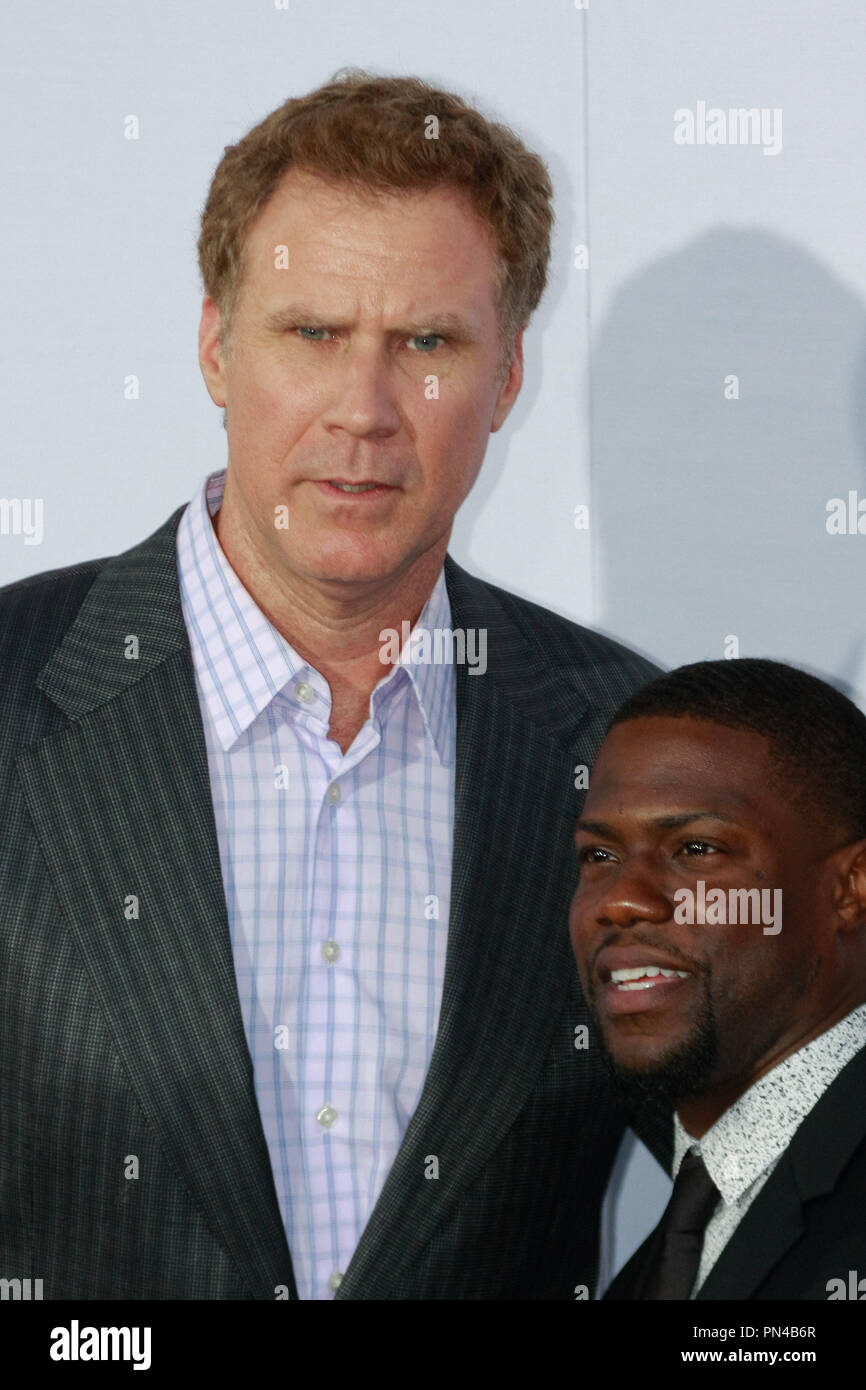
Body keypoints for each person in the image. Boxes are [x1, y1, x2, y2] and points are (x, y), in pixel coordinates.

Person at [0, 70, 663, 1300]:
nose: (362, 410)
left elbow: (776, 1170)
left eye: (425, 343)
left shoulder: (624, 745)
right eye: (311, 333)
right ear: (213, 346)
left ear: (506, 379)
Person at [569, 658, 866, 1300]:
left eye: (697, 850)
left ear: (850, 888)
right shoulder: (674, 1248)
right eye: (599, 856)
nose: (619, 900)